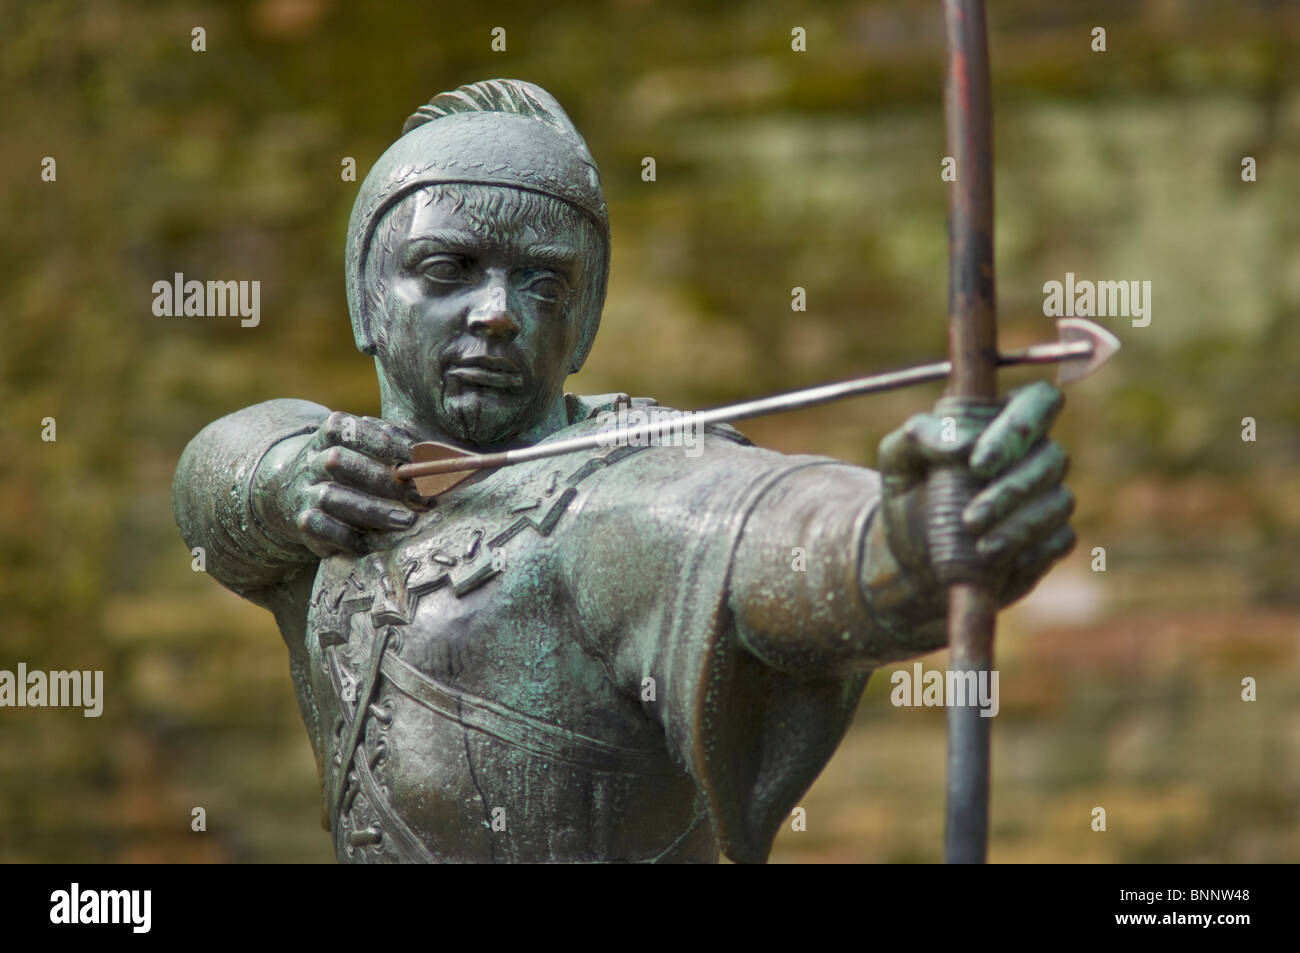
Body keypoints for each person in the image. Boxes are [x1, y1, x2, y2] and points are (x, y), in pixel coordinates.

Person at [173, 79, 1074, 863]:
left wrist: (907, 540)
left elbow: (753, 527)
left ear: (587, 319)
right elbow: (213, 479)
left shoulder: (618, 490)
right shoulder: (334, 498)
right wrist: (292, 478)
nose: (495, 313)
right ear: (368, 298)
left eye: (544, 283)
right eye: (449, 267)